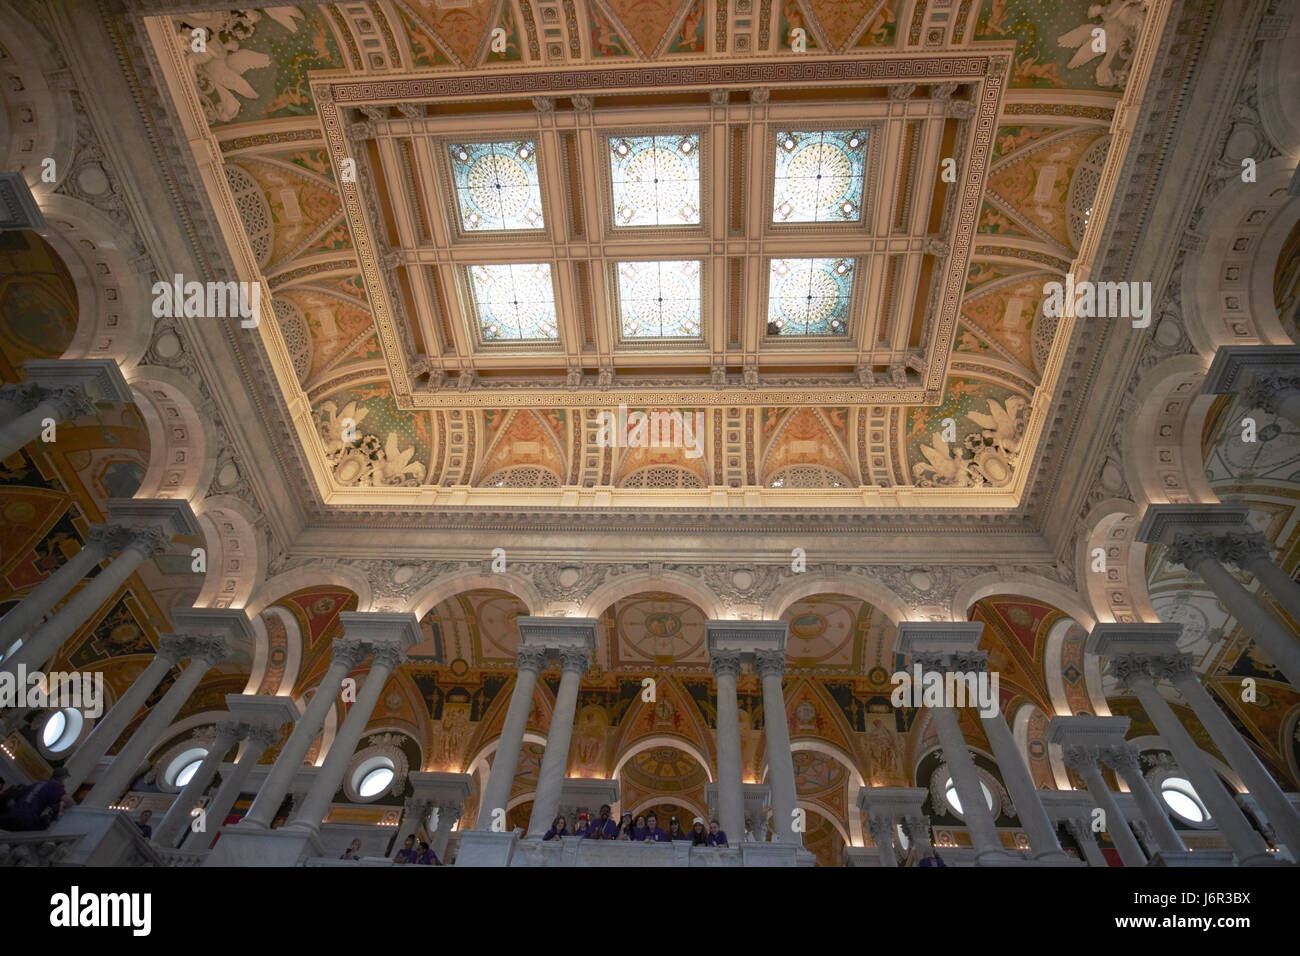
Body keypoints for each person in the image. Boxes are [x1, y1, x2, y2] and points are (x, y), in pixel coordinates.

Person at [0, 767, 74, 831]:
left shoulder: (38, 783)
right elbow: (68, 801)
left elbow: (13, 800)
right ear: (62, 778)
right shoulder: (56, 786)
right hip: (27, 819)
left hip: (12, 814)